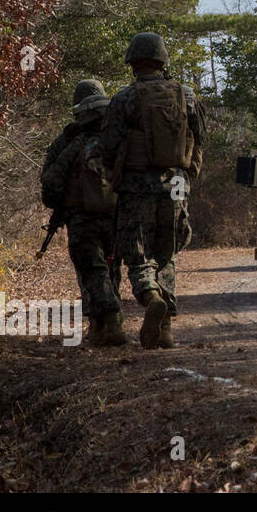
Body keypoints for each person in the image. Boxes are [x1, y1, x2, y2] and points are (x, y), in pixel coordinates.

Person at [94, 32, 205, 349]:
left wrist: (117, 174)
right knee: (166, 254)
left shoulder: (124, 99)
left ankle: (151, 296)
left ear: (133, 64)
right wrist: (187, 174)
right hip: (176, 187)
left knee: (138, 254)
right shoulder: (187, 96)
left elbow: (107, 146)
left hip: (136, 187)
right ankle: (165, 331)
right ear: (162, 61)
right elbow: (199, 140)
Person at [40, 80, 123, 346]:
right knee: (111, 268)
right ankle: (103, 326)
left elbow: (50, 183)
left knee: (92, 270)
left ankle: (107, 319)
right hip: (115, 215)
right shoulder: (118, 138)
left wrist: (61, 207)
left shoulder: (67, 142)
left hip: (81, 218)